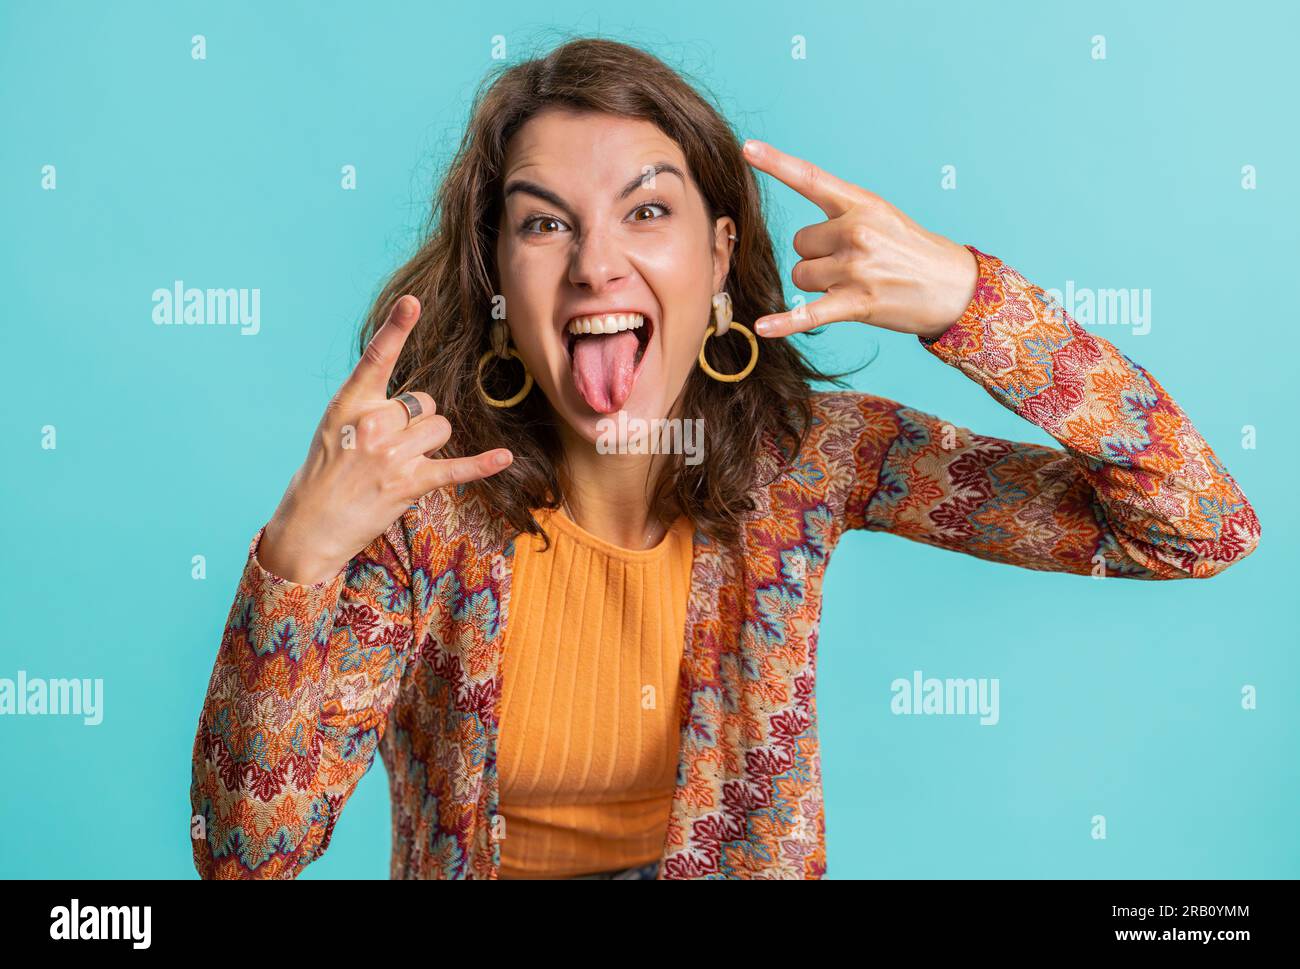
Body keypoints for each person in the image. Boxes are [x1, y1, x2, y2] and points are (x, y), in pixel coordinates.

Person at [189, 38, 1260, 880]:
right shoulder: (422, 508)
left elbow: (1197, 526)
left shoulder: (812, 461)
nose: (597, 264)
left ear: (715, 264)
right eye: (544, 228)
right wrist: (298, 557)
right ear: (500, 293)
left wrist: (969, 301)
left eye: (646, 212)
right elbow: (249, 855)